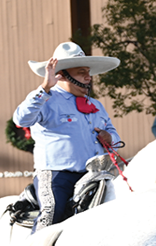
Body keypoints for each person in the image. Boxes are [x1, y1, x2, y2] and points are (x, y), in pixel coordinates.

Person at [13, 42, 121, 234]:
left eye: (88, 72)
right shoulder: (46, 99)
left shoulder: (96, 104)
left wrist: (109, 137)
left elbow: (114, 134)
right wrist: (45, 87)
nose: (88, 77)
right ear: (61, 75)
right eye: (81, 72)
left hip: (94, 174)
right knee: (51, 214)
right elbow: (22, 118)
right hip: (57, 175)